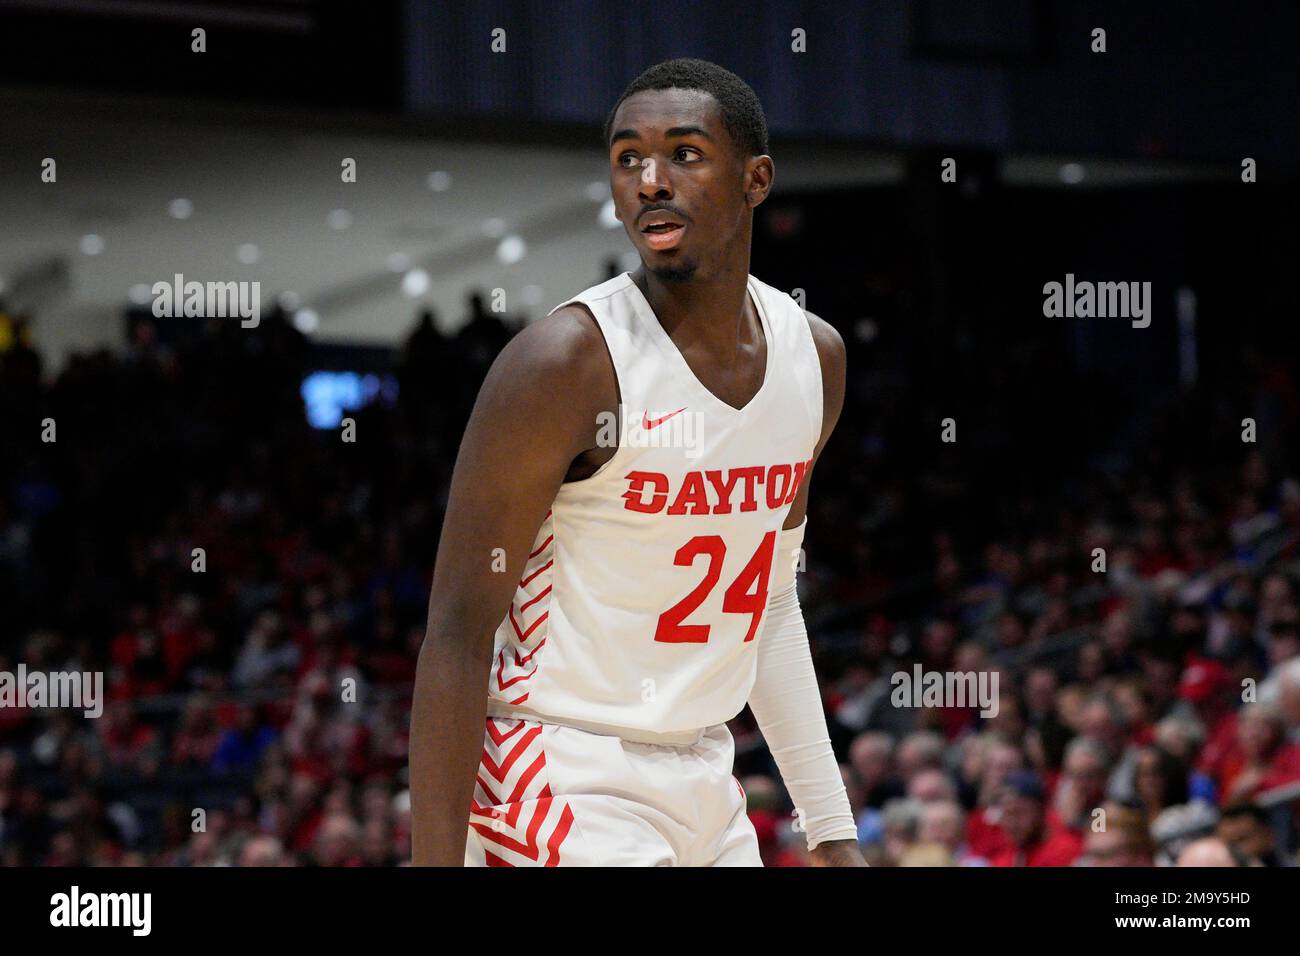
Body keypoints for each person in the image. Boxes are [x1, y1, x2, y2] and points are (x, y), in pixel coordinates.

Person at [410, 58, 861, 866]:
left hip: (703, 774)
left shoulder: (814, 358)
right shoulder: (564, 364)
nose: (650, 180)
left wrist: (830, 831)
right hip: (556, 769)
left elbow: (768, 609)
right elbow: (455, 631)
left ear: (756, 179)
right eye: (628, 159)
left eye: (684, 153)